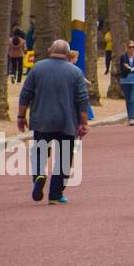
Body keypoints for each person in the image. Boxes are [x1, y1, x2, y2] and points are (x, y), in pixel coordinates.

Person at [17, 39, 89, 205]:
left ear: (50, 50)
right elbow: (82, 99)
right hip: (67, 121)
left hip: (41, 119)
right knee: (64, 158)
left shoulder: (37, 68)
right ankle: (55, 194)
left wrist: (21, 117)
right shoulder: (76, 72)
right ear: (67, 53)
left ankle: (39, 176)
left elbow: (25, 94)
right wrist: (84, 122)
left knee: (40, 152)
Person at [116, 40, 134, 126]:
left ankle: (132, 118)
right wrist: (132, 69)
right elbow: (122, 69)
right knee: (128, 100)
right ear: (127, 48)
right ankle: (129, 117)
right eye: (130, 47)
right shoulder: (123, 57)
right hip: (125, 81)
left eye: (133, 47)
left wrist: (129, 68)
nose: (132, 49)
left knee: (132, 99)